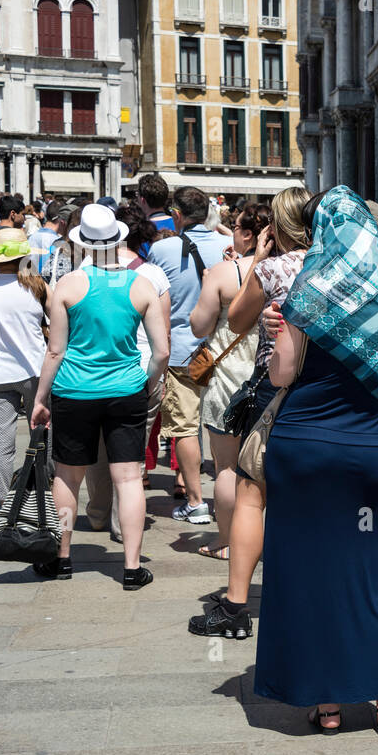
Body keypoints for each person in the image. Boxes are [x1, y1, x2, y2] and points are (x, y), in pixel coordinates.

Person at [255, 185, 378, 735]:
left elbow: (281, 374)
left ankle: (324, 702)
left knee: (302, 571)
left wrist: (279, 331)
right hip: (361, 449)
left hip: (301, 446)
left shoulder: (307, 288)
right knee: (367, 571)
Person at [188, 186, 311, 639]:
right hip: (323, 395)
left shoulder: (275, 268)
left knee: (252, 493)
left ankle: (236, 607)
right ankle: (301, 596)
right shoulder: (336, 268)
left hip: (271, 394)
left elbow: (236, 320)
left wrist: (259, 260)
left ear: (278, 227)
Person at [30, 204, 170, 589]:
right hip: (126, 390)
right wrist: (148, 382)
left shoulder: (68, 285)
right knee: (128, 479)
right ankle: (130, 566)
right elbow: (161, 351)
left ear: (84, 243)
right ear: (118, 239)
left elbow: (55, 350)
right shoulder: (141, 285)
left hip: (74, 390)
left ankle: (61, 558)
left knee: (68, 476)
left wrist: (41, 398)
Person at [81, 205, 173, 541]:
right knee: (130, 452)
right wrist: (158, 377)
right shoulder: (153, 275)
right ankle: (124, 524)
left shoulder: (83, 269)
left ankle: (96, 513)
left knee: (97, 450)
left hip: (92, 370)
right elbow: (163, 334)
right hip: (141, 371)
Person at [148, 186, 232, 524]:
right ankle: (227, 498)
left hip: (182, 350)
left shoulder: (161, 249)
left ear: (177, 215)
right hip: (221, 351)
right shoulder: (228, 247)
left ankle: (196, 501)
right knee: (223, 426)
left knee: (184, 427)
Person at [187, 202, 265, 559]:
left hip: (227, 381)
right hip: (270, 379)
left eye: (235, 226)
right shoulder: (292, 267)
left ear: (247, 234)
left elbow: (199, 326)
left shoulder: (223, 272)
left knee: (227, 467)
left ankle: (229, 541)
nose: (230, 231)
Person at [0, 228, 49, 501]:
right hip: (34, 371)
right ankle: (43, 491)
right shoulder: (36, 286)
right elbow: (54, 321)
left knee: (1, 440)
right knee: (40, 432)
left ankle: (4, 501)